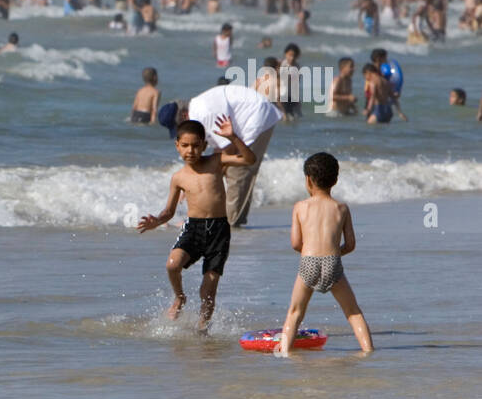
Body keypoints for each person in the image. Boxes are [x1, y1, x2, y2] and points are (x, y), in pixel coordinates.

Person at [136, 116, 256, 330]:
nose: (190, 151)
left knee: (207, 291)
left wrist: (233, 137)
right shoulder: (178, 177)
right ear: (177, 145)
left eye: (195, 145)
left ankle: (202, 330)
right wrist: (156, 221)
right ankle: (179, 297)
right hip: (193, 228)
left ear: (204, 145)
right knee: (172, 264)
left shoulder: (216, 161)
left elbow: (249, 159)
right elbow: (169, 211)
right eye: (185, 146)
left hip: (219, 230)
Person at [278, 152, 373, 356]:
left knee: (295, 312)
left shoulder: (300, 207)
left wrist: (311, 252)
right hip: (333, 262)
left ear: (308, 180)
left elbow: (295, 243)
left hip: (308, 262)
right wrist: (333, 254)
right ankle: (367, 351)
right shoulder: (341, 208)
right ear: (335, 180)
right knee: (353, 312)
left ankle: (285, 352)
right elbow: (350, 244)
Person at [159, 81, 280, 227]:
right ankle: (227, 219)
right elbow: (219, 150)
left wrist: (204, 176)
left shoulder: (205, 114)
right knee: (226, 170)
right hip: (248, 118)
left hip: (258, 116)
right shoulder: (198, 113)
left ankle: (231, 224)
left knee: (238, 171)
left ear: (185, 115)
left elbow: (226, 150)